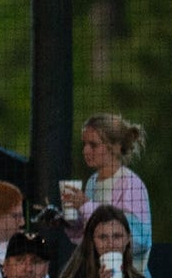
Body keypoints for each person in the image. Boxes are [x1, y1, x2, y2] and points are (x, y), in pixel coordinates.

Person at [63, 113, 150, 269]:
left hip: (129, 277)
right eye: (84, 144)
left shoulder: (131, 183)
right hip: (97, 276)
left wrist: (87, 206)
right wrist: (72, 223)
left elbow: (141, 240)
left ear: (115, 147)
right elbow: (90, 238)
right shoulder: (92, 182)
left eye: (93, 145)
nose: (85, 150)